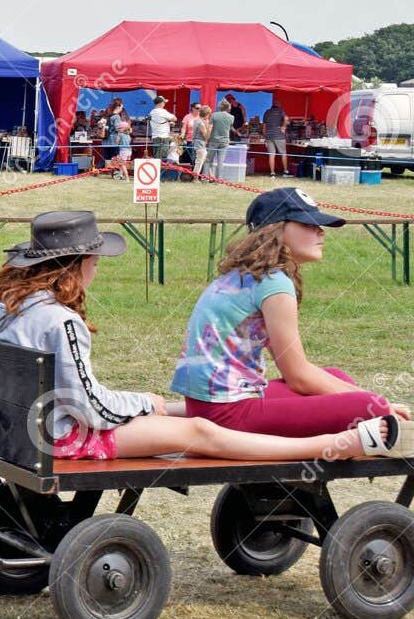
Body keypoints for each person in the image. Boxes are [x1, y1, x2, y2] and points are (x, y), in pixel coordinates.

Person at [0, 210, 410, 462]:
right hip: (62, 435)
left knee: (171, 413)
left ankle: (163, 408)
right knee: (198, 433)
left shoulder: (8, 308)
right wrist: (138, 404)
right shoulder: (61, 321)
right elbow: (91, 408)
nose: (98, 266)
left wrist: (150, 404)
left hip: (26, 424)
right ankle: (333, 444)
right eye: (95, 258)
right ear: (77, 264)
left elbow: (73, 392)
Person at [170, 187, 408, 440]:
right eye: (309, 223)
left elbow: (294, 370)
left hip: (209, 404)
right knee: (371, 407)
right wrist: (376, 402)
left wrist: (360, 395)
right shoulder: (274, 283)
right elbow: (298, 378)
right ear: (276, 229)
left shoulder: (245, 274)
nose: (320, 231)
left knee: (336, 378)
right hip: (227, 414)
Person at [206, 98, 235, 181]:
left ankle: (205, 178)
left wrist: (207, 139)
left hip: (213, 140)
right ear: (228, 108)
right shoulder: (231, 117)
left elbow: (210, 128)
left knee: (208, 160)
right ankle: (219, 179)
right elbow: (229, 128)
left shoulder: (214, 115)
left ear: (220, 107)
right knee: (220, 162)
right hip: (225, 141)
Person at [262, 100, 290, 177]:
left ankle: (272, 173)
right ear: (279, 105)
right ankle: (285, 172)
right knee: (283, 153)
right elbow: (286, 118)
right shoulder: (281, 111)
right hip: (279, 135)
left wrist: (265, 137)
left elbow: (264, 127)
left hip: (269, 136)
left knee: (271, 155)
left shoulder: (267, 112)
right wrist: (284, 127)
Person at [146, 95, 175, 163]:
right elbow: (174, 118)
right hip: (163, 137)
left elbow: (158, 122)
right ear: (160, 103)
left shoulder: (152, 112)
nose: (164, 104)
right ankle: (160, 173)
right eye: (164, 102)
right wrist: (169, 122)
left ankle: (156, 172)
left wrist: (167, 122)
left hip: (155, 137)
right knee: (162, 158)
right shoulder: (162, 111)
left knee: (156, 157)